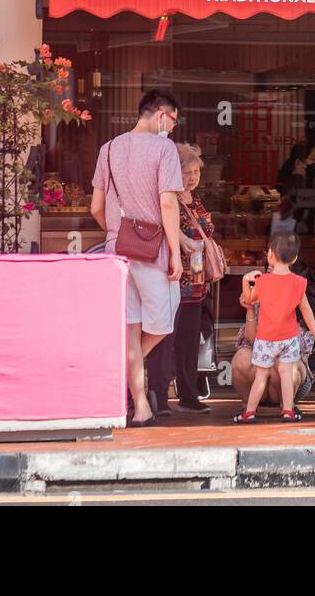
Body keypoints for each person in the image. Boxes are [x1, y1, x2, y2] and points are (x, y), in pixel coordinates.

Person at [90, 89, 183, 427]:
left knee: (131, 329)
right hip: (151, 249)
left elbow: (95, 208)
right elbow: (168, 203)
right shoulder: (164, 148)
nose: (172, 128)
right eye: (173, 120)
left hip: (118, 252)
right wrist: (175, 252)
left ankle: (140, 405)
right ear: (161, 114)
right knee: (163, 321)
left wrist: (116, 233)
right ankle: (117, 372)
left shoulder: (109, 148)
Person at [233, 233, 315, 423]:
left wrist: (245, 280)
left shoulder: (262, 282)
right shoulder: (299, 283)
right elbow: (306, 309)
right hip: (289, 338)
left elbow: (249, 300)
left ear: (269, 255)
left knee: (261, 375)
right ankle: (287, 411)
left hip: (266, 339)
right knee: (286, 373)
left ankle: (249, 412)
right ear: (294, 258)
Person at [161, 142, 215, 414]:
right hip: (176, 279)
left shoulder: (196, 200)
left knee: (190, 339)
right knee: (168, 338)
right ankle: (160, 393)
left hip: (197, 282)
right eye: (187, 172)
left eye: (196, 172)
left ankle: (188, 394)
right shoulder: (169, 200)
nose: (193, 177)